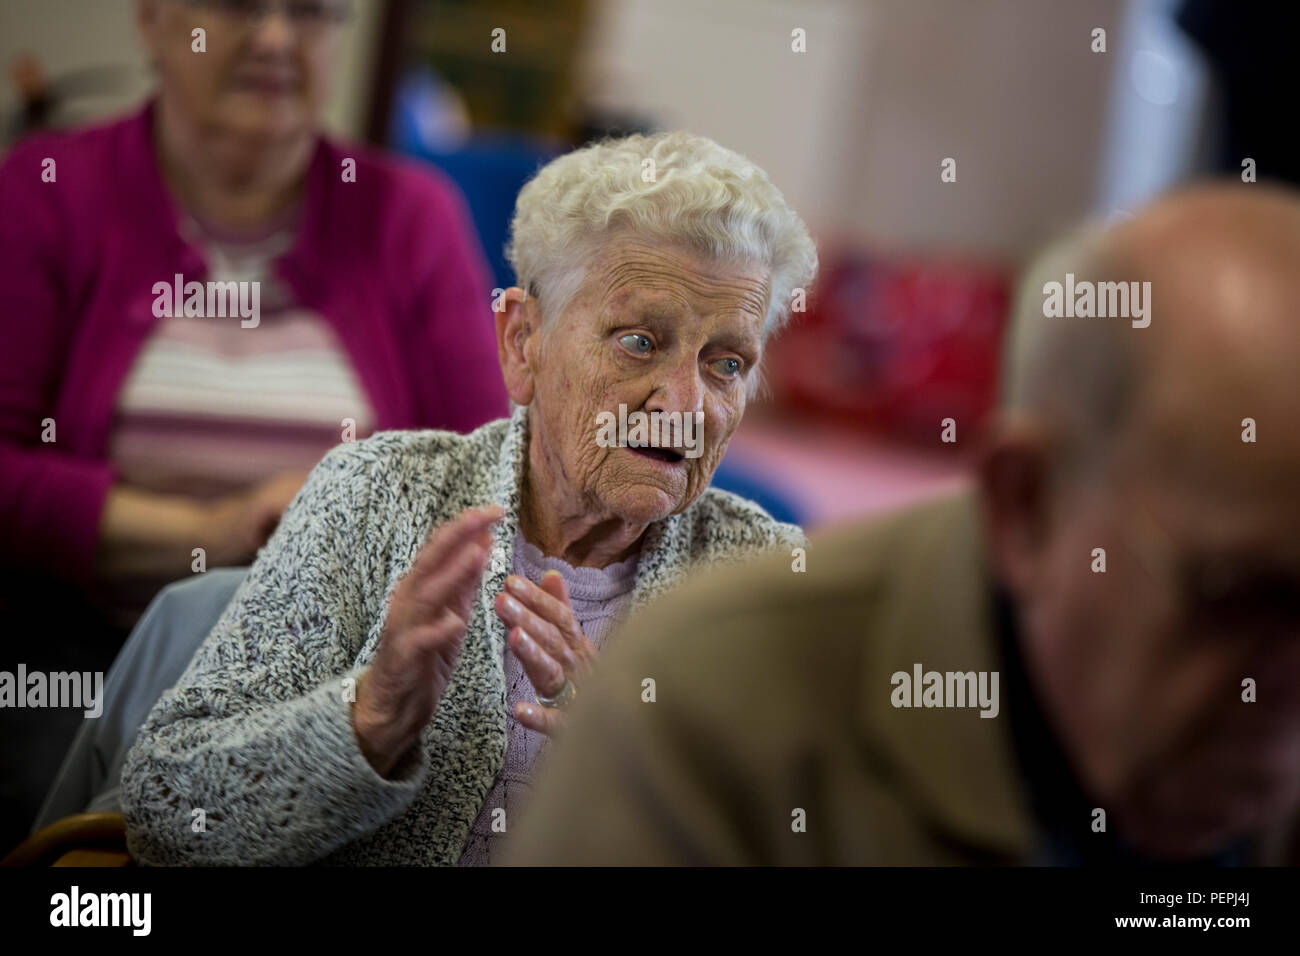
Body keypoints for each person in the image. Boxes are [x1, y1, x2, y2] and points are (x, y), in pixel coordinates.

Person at [505, 183, 1300, 866]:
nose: (682, 405)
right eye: (1235, 597)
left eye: (727, 363)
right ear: (1028, 505)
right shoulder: (720, 709)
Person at [119, 129, 819, 865]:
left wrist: (631, 774)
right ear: (523, 341)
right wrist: (371, 719)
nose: (686, 403)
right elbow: (168, 811)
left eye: (726, 363)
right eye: (640, 342)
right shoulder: (377, 498)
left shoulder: (765, 580)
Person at [0, 0, 505, 848]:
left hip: (339, 669)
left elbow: (487, 477)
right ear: (153, 19)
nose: (274, 37)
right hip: (84, 644)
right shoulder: (49, 192)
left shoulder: (410, 217)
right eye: (237, 4)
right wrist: (215, 528)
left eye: (309, 11)